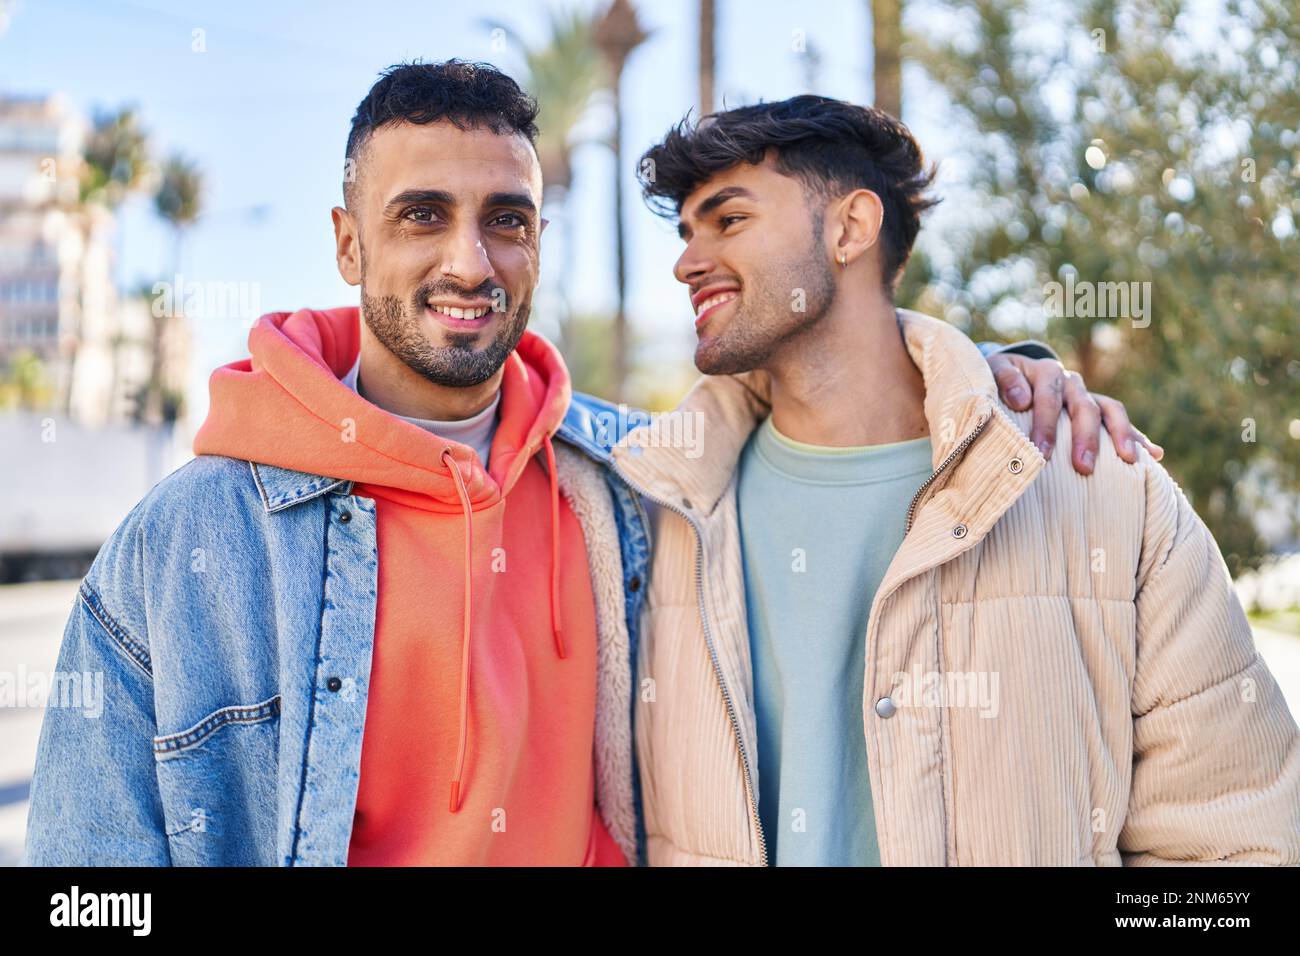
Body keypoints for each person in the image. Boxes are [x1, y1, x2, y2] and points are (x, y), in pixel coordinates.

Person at [23, 64, 1136, 866]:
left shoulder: (638, 479)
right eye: (422, 216)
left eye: (507, 219)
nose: (471, 260)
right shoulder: (187, 543)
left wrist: (991, 376)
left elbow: (827, 392)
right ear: (348, 244)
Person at [614, 94, 1300, 866]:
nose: (684, 262)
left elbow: (1235, 850)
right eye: (684, 232)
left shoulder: (1103, 488)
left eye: (727, 220)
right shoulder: (652, 513)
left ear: (850, 228)